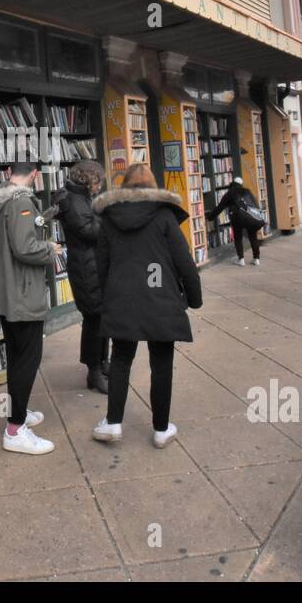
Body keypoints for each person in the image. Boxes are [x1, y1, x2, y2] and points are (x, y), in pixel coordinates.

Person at [91, 163, 203, 449]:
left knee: (120, 360)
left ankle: (113, 423)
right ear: (153, 186)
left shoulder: (109, 218)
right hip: (160, 298)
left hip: (122, 298)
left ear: (125, 186)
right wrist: (194, 298)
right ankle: (161, 429)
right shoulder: (164, 216)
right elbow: (184, 262)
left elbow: (101, 265)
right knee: (162, 363)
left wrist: (106, 298)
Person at [0, 161, 63, 455]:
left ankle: (19, 413)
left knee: (16, 355)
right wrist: (50, 249)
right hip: (22, 292)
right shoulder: (21, 201)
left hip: (4, 291)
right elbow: (25, 247)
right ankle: (15, 430)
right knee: (28, 357)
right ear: (35, 175)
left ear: (8, 173)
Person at [55, 160, 110, 394]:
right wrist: (108, 217)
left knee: (102, 316)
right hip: (85, 267)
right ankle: (93, 371)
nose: (99, 185)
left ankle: (102, 362)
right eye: (98, 180)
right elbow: (89, 232)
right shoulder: (72, 201)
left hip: (94, 263)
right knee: (93, 318)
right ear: (88, 179)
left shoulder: (81, 197)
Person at [205, 177, 265, 267]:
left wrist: (210, 217)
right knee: (253, 237)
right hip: (251, 216)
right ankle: (256, 259)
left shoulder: (230, 193)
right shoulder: (247, 191)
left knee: (238, 237)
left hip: (237, 217)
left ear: (232, 184)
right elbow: (255, 204)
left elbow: (220, 207)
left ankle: (241, 259)